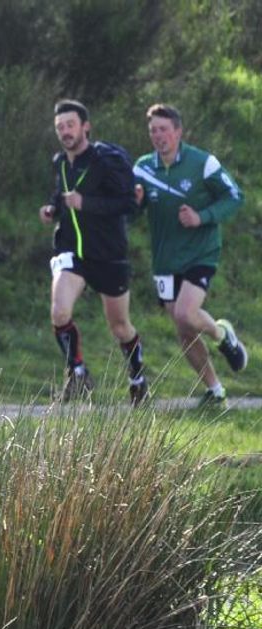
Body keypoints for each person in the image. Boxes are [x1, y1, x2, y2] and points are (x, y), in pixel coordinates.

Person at [133, 103, 247, 406]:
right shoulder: (143, 167)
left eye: (164, 129)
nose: (158, 136)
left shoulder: (202, 163)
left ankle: (222, 335)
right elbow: (131, 211)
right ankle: (215, 390)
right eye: (153, 130)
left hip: (201, 252)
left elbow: (235, 197)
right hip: (164, 259)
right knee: (183, 329)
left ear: (178, 132)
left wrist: (202, 216)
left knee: (186, 313)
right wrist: (136, 202)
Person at [38, 99, 146, 404]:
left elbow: (127, 204)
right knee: (59, 312)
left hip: (108, 253)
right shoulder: (60, 161)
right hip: (72, 250)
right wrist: (52, 209)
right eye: (60, 127)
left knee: (120, 325)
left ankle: (138, 378)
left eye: (71, 125)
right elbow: (62, 197)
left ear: (86, 126)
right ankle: (77, 373)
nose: (65, 132)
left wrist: (87, 204)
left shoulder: (107, 160)